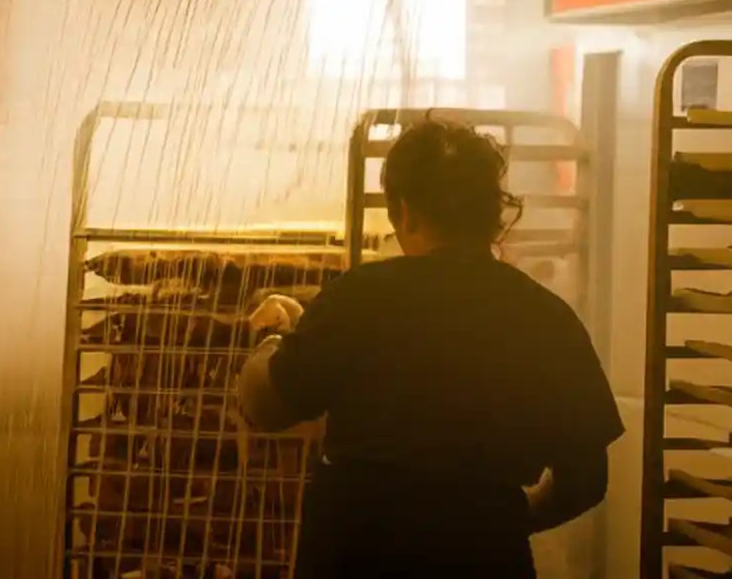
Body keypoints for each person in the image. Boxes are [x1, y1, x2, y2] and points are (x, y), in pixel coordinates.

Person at [237, 118, 624, 578]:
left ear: (406, 211)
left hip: (360, 553)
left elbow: (266, 406)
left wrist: (271, 341)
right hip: (486, 556)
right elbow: (586, 480)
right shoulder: (546, 316)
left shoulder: (361, 297)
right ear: (491, 213)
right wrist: (500, 524)